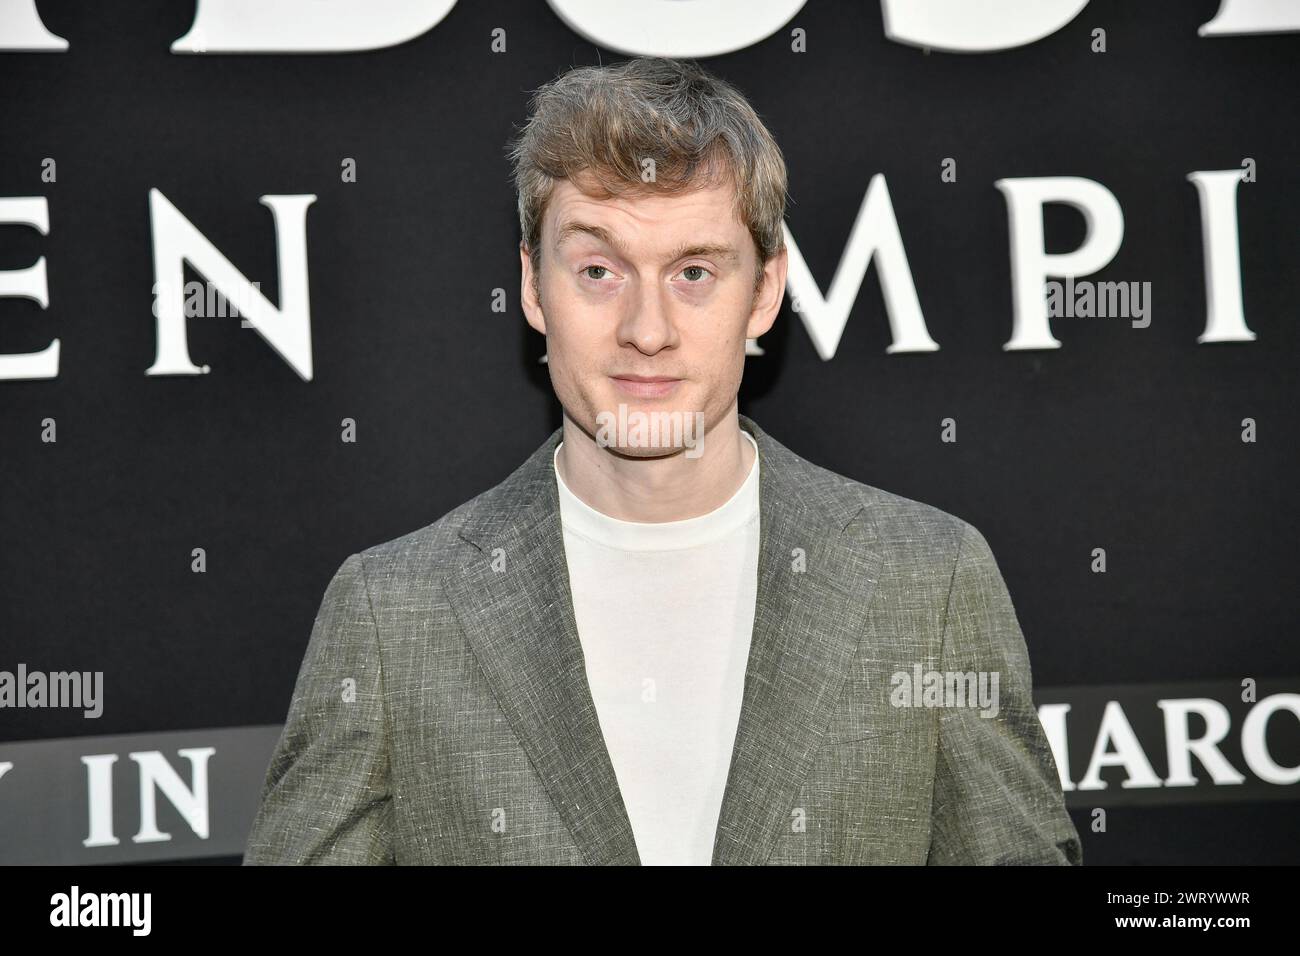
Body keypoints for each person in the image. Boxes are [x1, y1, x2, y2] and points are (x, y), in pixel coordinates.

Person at [243, 56, 1081, 866]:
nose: (647, 329)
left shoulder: (927, 584)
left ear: (763, 290)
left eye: (693, 272)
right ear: (535, 286)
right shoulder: (393, 616)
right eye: (600, 269)